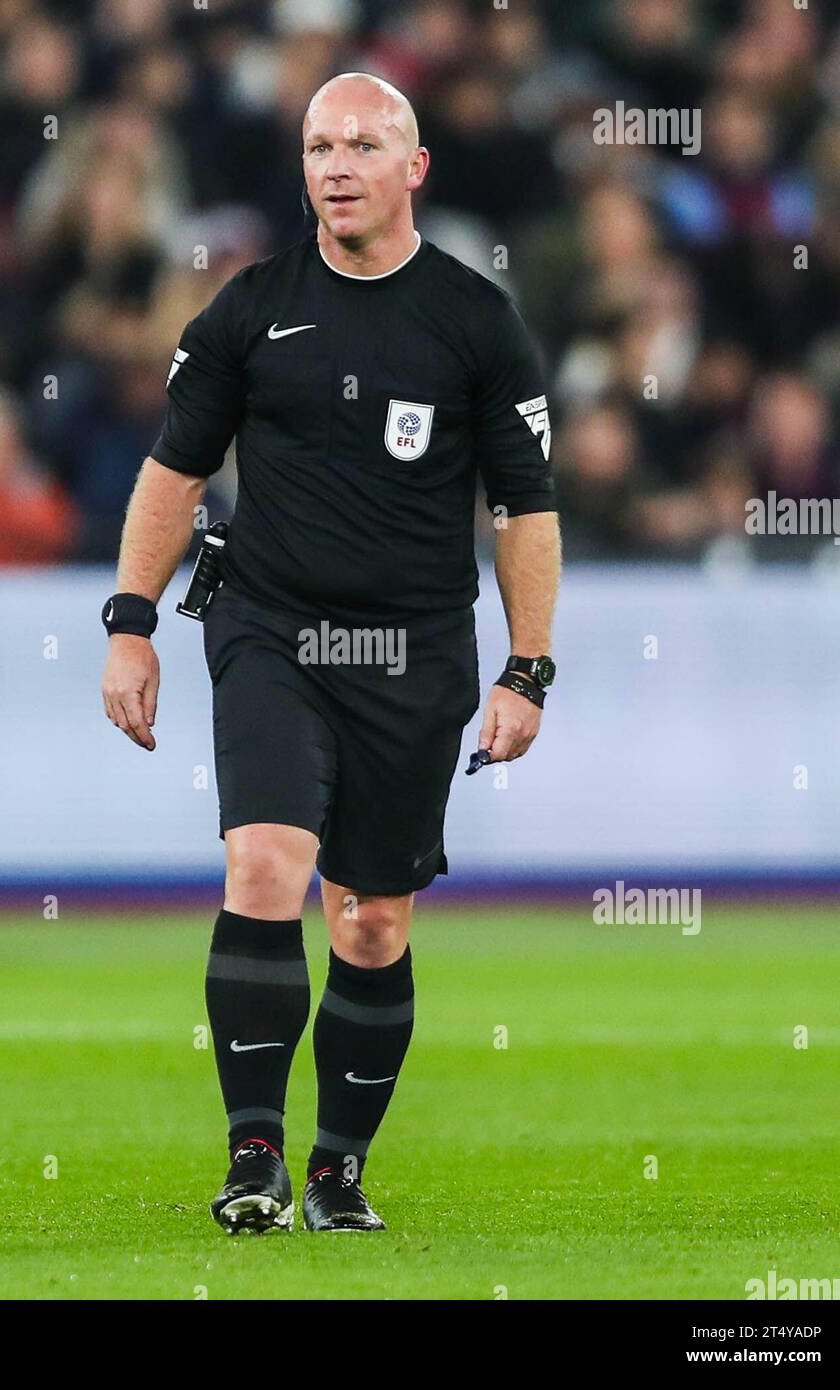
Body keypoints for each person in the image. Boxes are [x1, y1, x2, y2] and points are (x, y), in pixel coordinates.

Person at [101, 73, 561, 1234]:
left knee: (369, 921)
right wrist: (130, 621)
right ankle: (253, 1152)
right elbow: (174, 472)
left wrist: (528, 666)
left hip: (413, 650)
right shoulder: (249, 310)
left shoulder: (472, 319)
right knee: (262, 862)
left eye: (363, 143)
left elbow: (524, 508)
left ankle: (335, 1170)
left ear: (414, 168)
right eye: (317, 145)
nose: (336, 164)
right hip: (270, 628)